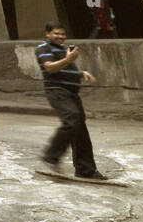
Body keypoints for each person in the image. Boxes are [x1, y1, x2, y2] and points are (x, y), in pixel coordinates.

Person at [36, 22, 105, 179]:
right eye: (56, 34)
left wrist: (81, 73)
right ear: (47, 34)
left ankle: (85, 170)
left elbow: (64, 69)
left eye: (62, 34)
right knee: (71, 119)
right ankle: (50, 158)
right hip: (57, 91)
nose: (60, 37)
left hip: (72, 93)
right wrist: (69, 59)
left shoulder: (62, 50)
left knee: (80, 129)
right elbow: (50, 68)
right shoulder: (43, 48)